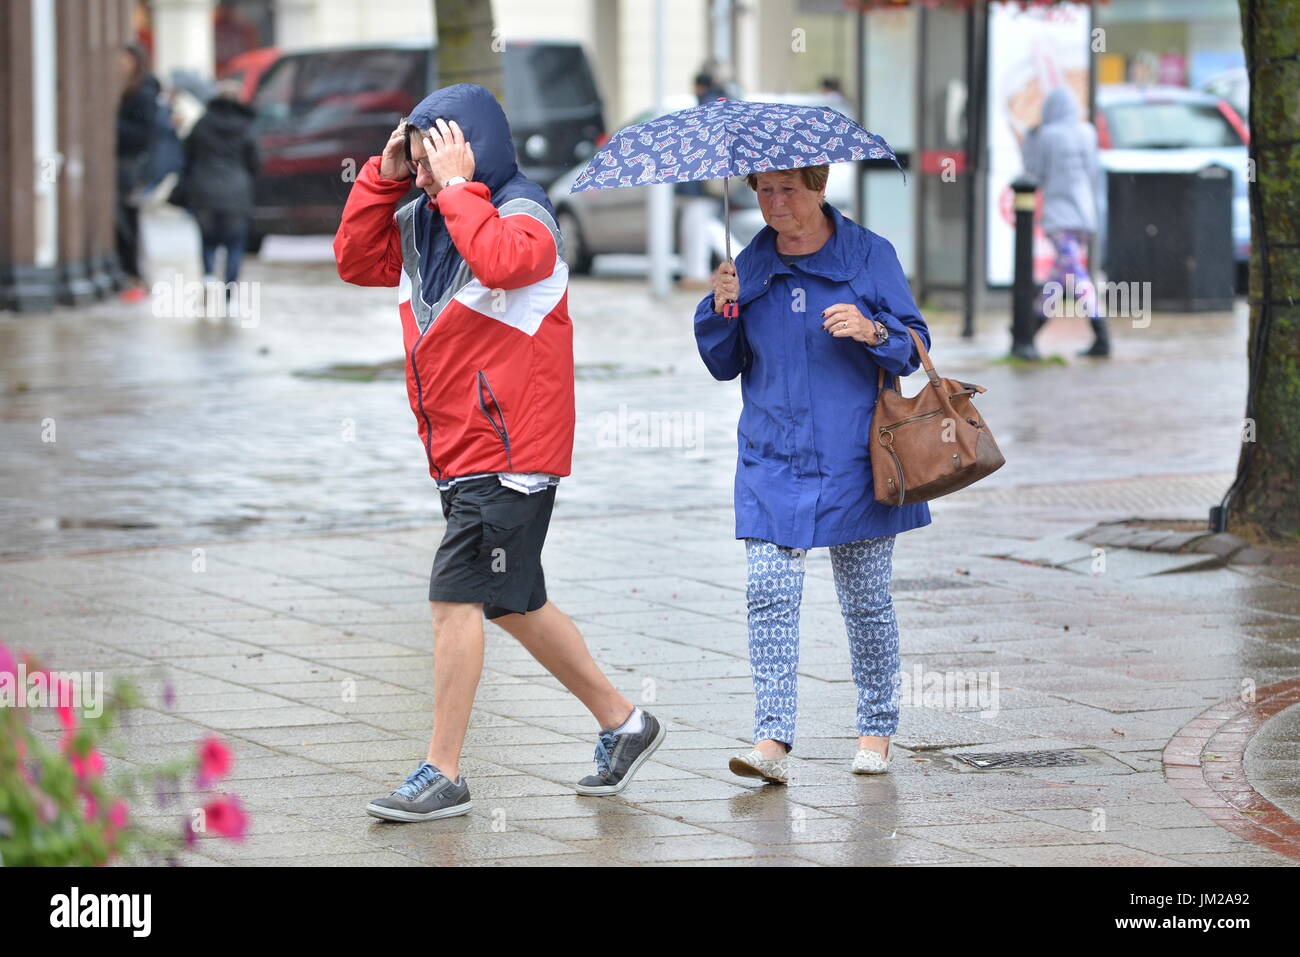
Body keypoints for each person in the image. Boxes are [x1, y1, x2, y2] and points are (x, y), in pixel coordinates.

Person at [333, 84, 664, 822]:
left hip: (509, 455)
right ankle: (625, 722)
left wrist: (455, 187)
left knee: (454, 598)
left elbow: (503, 262)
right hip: (458, 450)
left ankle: (442, 771)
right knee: (514, 600)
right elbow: (356, 259)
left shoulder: (525, 213)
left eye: (429, 159)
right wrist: (383, 176)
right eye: (413, 162)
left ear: (468, 148)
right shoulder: (426, 217)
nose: (419, 176)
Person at [694, 164, 931, 784]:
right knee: (768, 596)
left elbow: (914, 344)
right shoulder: (747, 266)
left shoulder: (869, 255)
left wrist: (870, 329)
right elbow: (723, 364)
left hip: (857, 455)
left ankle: (876, 730)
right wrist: (722, 305)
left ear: (820, 188)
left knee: (867, 603)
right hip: (773, 455)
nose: (775, 204)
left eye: (788, 190)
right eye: (764, 191)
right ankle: (771, 740)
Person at [1023, 86, 1109, 357]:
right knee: (1062, 278)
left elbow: (1034, 172)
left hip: (1060, 216)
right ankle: (1029, 331)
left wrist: (1030, 140)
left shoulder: (1047, 135)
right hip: (1084, 216)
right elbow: (1093, 173)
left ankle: (1101, 333)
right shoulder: (1087, 132)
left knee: (1078, 277)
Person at [176, 79, 260, 304]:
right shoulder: (246, 125)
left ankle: (207, 276)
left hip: (203, 191)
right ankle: (230, 296)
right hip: (236, 193)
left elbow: (186, 155)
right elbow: (255, 161)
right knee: (235, 245)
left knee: (207, 240)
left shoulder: (202, 123)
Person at [115, 44, 161, 301]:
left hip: (131, 166)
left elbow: (145, 134)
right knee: (125, 220)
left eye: (124, 60)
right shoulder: (122, 89)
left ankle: (135, 276)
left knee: (127, 220)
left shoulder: (142, 92)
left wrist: (111, 123)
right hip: (124, 164)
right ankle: (132, 274)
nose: (120, 65)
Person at [676, 71, 728, 290]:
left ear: (698, 87)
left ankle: (696, 274)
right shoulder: (720, 107)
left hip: (698, 187)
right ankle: (697, 272)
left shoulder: (702, 112)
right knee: (706, 228)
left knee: (697, 229)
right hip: (711, 186)